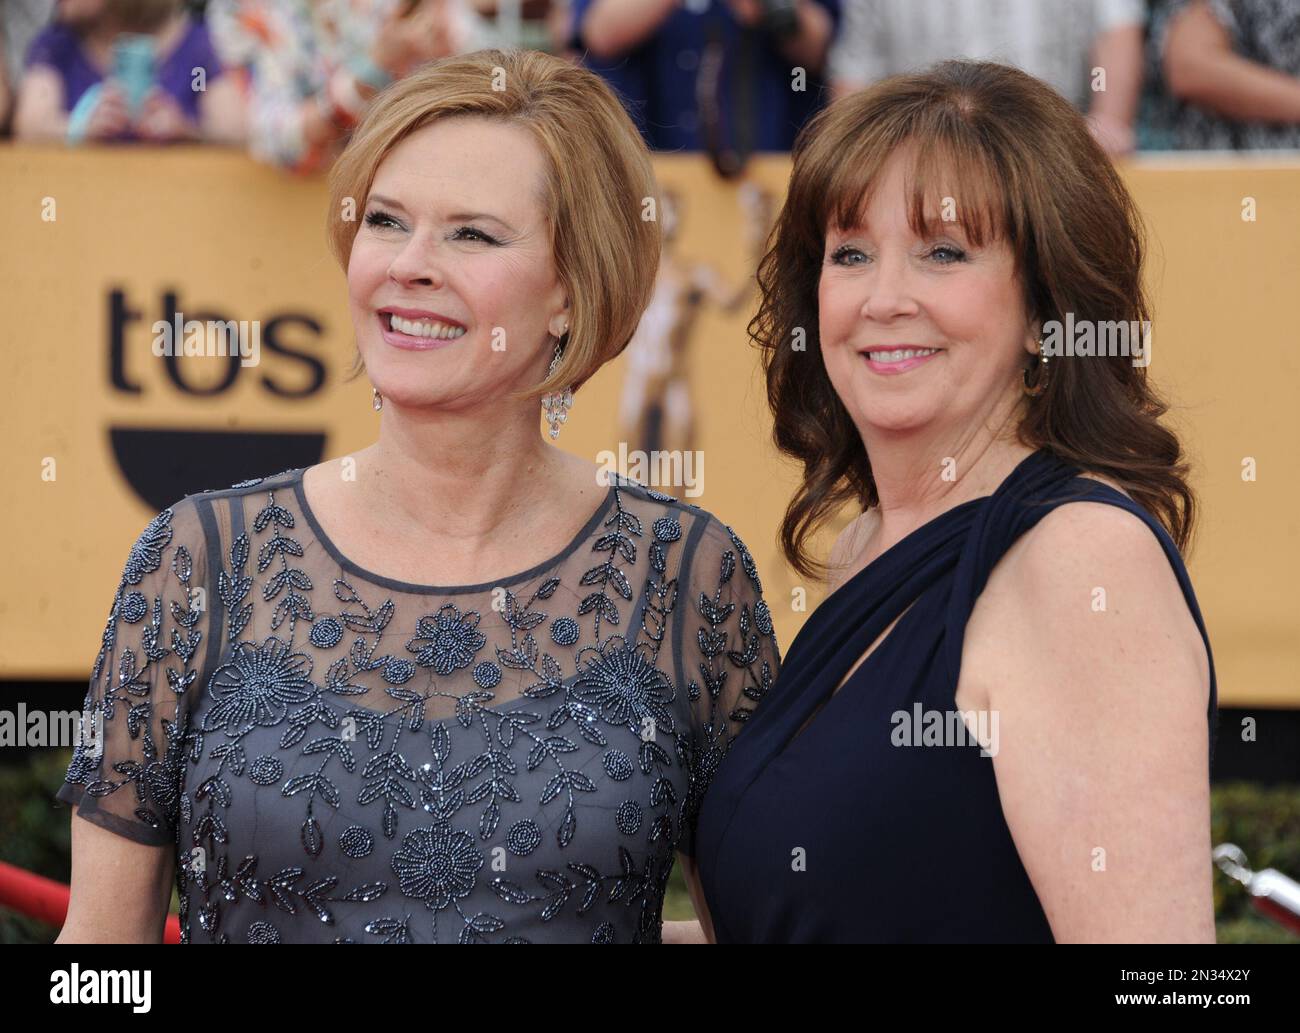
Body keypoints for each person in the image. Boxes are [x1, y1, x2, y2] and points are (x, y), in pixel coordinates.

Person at [53, 47, 780, 944]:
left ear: (570, 289)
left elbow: (765, 928)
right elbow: (97, 956)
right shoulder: (197, 559)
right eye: (387, 221)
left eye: (471, 234)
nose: (409, 265)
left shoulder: (687, 577)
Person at [694, 59, 1218, 943]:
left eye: (944, 252)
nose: (884, 298)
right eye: (850, 253)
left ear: (1045, 301)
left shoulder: (1078, 560)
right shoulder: (868, 542)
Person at [827, 0, 1145, 156]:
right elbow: (857, 70)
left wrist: (1108, 122)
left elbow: (1114, 30)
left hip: (1047, 156)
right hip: (922, 162)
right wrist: (854, 149)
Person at [205, 0, 481, 172]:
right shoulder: (241, 10)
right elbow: (278, 137)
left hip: (417, 188)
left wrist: (441, 55)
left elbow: (485, 80)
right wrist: (372, 70)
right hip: (300, 214)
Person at [14, 0, 243, 144]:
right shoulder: (59, 47)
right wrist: (79, 129)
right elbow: (30, 126)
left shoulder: (196, 54)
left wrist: (187, 132)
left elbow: (236, 130)